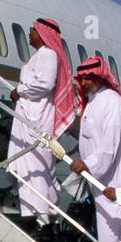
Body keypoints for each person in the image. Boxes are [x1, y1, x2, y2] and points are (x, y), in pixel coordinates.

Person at [68, 56, 121, 242]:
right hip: (96, 175)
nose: (83, 83)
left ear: (98, 77)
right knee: (105, 227)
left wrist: (88, 164)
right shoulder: (94, 102)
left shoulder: (112, 101)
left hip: (111, 175)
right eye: (81, 79)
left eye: (88, 78)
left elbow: (110, 144)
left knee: (112, 225)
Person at [7, 19, 77, 228]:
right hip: (31, 115)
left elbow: (44, 84)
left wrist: (19, 91)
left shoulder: (48, 54)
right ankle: (44, 212)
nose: (29, 35)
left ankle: (42, 217)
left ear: (43, 34)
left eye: (32, 31)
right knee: (34, 164)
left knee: (35, 164)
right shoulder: (41, 55)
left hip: (36, 117)